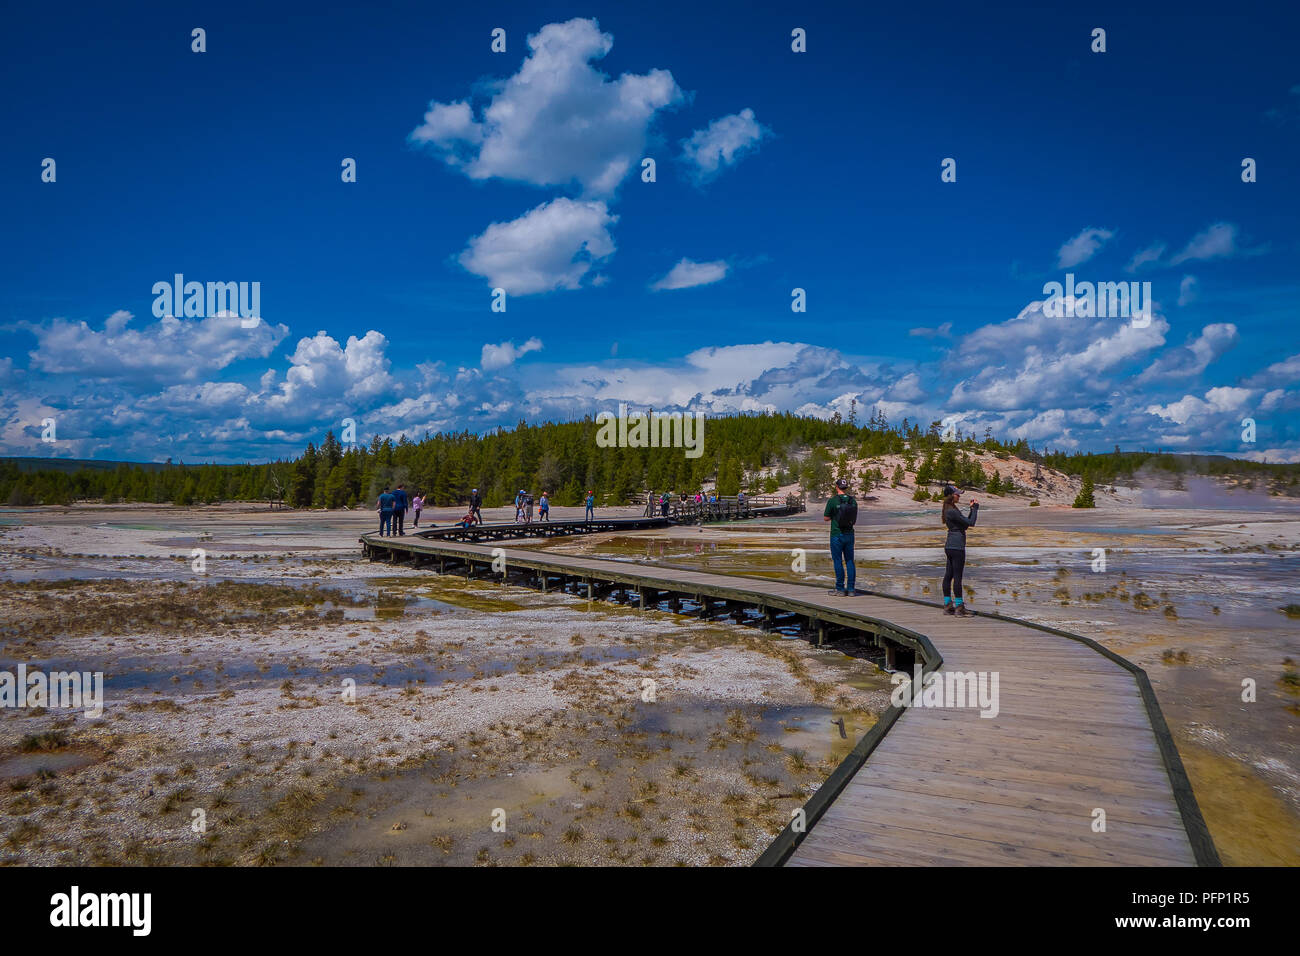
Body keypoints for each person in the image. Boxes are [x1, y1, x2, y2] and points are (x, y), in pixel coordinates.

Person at [941, 484, 979, 616]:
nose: (959, 496)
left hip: (950, 545)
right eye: (957, 494)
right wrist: (975, 509)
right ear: (952, 495)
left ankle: (947, 605)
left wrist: (971, 510)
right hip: (957, 546)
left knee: (948, 575)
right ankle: (959, 607)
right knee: (957, 577)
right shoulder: (952, 510)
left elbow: (966, 523)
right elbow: (971, 522)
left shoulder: (948, 509)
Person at [823, 477, 859, 596]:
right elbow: (854, 519)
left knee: (837, 561)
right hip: (850, 534)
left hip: (837, 534)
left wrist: (835, 516)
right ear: (846, 487)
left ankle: (839, 589)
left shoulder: (833, 501)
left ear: (837, 487)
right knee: (850, 561)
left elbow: (826, 518)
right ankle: (851, 589)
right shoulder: (852, 501)